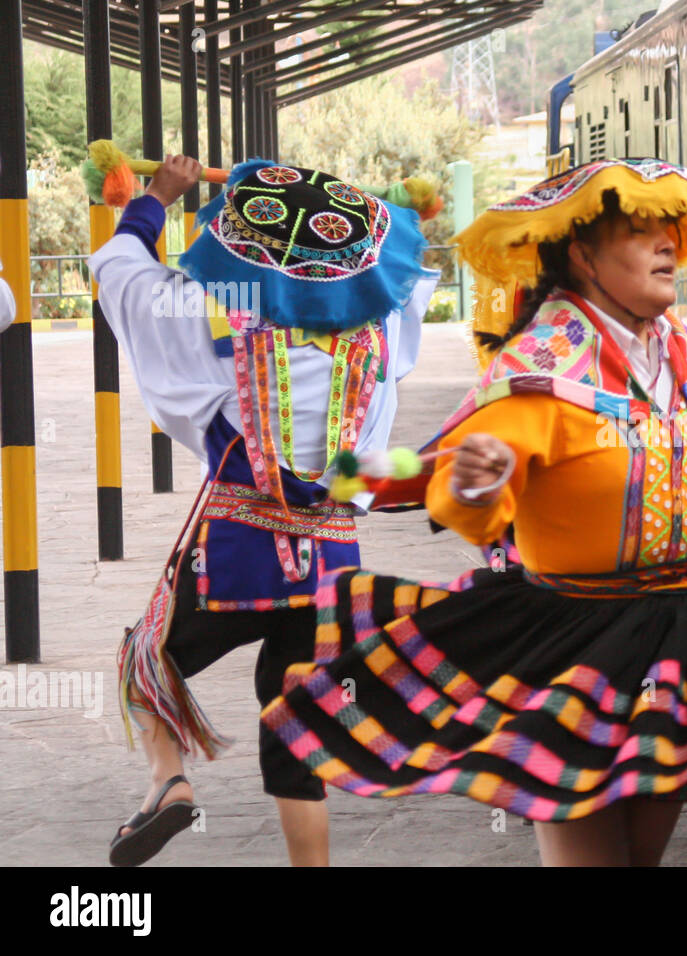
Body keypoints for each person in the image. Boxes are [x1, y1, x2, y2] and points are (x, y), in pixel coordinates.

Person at [261, 157, 687, 866]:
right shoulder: (543, 374)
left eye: (670, 228)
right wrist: (478, 482)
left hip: (678, 634)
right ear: (582, 254)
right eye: (641, 230)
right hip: (576, 646)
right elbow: (470, 495)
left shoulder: (683, 362)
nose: (668, 243)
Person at [89, 154, 439, 866]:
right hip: (332, 565)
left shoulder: (208, 319)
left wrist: (156, 197)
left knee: (143, 661)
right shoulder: (377, 333)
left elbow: (121, 274)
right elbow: (402, 275)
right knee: (295, 719)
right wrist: (377, 201)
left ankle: (170, 784)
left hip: (237, 552)